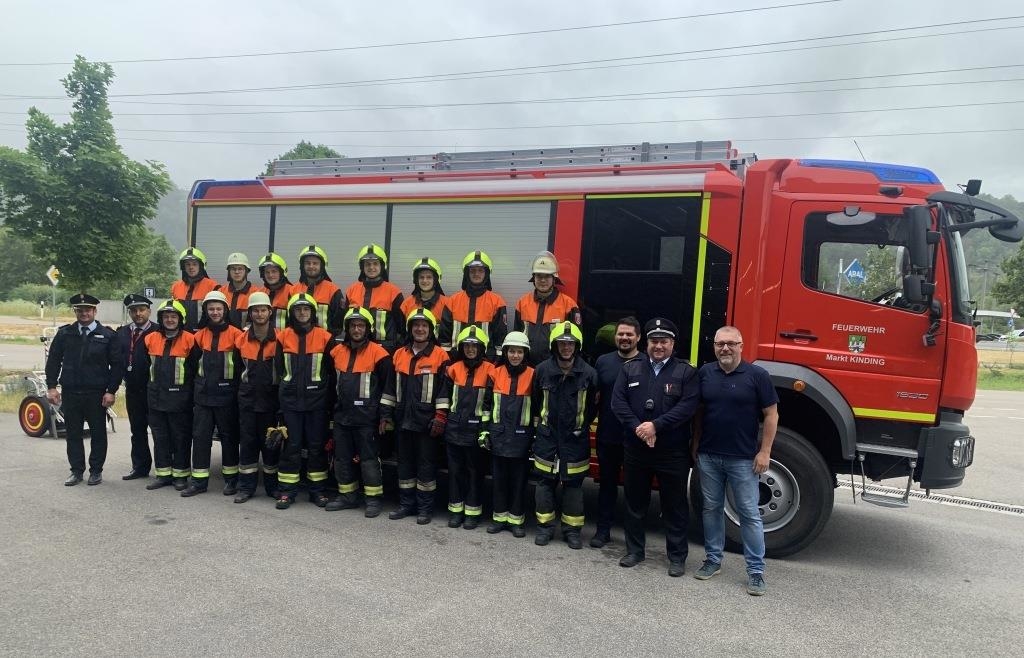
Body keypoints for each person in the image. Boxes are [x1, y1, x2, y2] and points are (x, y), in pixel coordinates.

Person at [692, 325, 779, 596]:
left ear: (741, 345)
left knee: (749, 515)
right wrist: (695, 444)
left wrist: (764, 452)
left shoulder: (757, 376)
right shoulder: (705, 373)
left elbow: (771, 415)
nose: (725, 349)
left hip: (743, 459)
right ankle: (713, 560)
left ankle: (755, 572)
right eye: (720, 344)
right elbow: (699, 412)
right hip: (708, 456)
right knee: (711, 509)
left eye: (731, 343)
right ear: (714, 346)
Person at [611, 318, 699, 577]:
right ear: (646, 342)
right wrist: (640, 428)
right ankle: (635, 551)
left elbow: (688, 407)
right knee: (635, 502)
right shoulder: (631, 368)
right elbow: (618, 403)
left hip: (672, 451)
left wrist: (656, 427)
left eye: (664, 341)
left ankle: (677, 557)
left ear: (673, 343)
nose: (658, 346)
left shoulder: (686, 372)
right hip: (637, 449)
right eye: (654, 341)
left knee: (674, 504)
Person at [380, 307, 451, 525]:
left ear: (431, 330)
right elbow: (390, 389)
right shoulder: (399, 354)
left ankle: (425, 508)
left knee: (426, 466)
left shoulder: (440, 356)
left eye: (424, 325)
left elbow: (444, 391)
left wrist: (440, 416)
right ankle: (406, 505)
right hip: (403, 420)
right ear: (410, 328)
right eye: (416, 325)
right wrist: (385, 415)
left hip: (427, 423)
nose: (420, 329)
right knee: (405, 464)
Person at [45, 293, 124, 486]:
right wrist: (51, 387)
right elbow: (54, 360)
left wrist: (111, 391)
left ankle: (96, 471)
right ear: (75, 311)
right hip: (71, 392)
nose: (83, 313)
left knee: (98, 434)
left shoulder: (107, 335)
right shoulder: (65, 334)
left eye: (87, 310)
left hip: (96, 394)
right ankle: (76, 471)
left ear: (95, 311)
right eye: (79, 310)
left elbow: (117, 365)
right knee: (73, 434)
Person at [532, 321, 597, 549]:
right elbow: (535, 402)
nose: (566, 347)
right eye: (562, 343)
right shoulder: (542, 371)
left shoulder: (589, 374)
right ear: (555, 345)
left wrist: (579, 426)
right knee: (544, 483)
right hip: (548, 437)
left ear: (577, 346)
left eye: (570, 344)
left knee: (574, 485)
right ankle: (545, 528)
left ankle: (572, 531)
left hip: (575, 439)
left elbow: (591, 408)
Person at [326, 306, 393, 518]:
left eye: (361, 325)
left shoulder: (379, 353)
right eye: (353, 325)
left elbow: (387, 389)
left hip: (367, 418)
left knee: (369, 459)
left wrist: (385, 416)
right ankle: (348, 496)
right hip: (342, 416)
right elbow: (330, 386)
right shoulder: (336, 352)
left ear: (368, 328)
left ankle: (373, 499)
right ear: (347, 328)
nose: (356, 329)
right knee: (342, 458)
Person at [274, 293, 335, 509]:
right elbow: (279, 370)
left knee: (317, 447)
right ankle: (287, 492)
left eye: (306, 309)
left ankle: (317, 492)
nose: (302, 313)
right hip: (290, 403)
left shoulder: (325, 337)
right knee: (291, 446)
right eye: (298, 310)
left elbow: (331, 372)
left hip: (317, 403)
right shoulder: (282, 337)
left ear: (312, 312)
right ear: (292, 313)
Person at [182, 290, 244, 497]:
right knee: (200, 438)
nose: (215, 312)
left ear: (225, 310)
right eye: (211, 309)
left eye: (218, 308)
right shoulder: (197, 337)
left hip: (228, 397)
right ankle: (199, 482)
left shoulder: (237, 335)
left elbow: (242, 368)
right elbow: (191, 368)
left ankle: (231, 480)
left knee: (229, 438)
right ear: (206, 311)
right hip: (203, 397)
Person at [587, 316, 641, 548]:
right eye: (621, 334)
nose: (625, 338)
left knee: (634, 489)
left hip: (635, 438)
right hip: (607, 434)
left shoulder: (647, 363)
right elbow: (595, 397)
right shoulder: (603, 362)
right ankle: (602, 531)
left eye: (629, 334)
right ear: (615, 337)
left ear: (638, 337)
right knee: (607, 485)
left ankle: (633, 538)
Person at [480, 331, 535, 538]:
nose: (515, 355)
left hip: (522, 438)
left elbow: (538, 408)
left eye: (519, 352)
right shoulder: (495, 373)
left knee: (519, 482)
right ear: (505, 352)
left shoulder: (533, 374)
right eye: (511, 351)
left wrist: (535, 436)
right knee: (499, 481)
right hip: (498, 436)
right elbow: (486, 406)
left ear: (525, 353)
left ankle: (516, 521)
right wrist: (484, 431)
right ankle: (499, 518)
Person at [443, 326, 495, 530]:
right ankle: (456, 511)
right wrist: (442, 419)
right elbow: (444, 397)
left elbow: (492, 403)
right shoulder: (453, 369)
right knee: (455, 472)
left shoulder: (491, 370)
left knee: (475, 473)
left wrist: (485, 429)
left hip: (476, 431)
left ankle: (473, 512)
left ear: (482, 348)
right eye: (467, 345)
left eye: (475, 346)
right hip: (454, 429)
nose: (471, 349)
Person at [234, 292, 281, 503]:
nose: (259, 314)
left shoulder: (281, 338)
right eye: (255, 310)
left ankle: (272, 487)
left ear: (270, 312)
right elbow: (236, 370)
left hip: (271, 401)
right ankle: (246, 488)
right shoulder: (240, 339)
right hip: (248, 401)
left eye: (263, 310)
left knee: (271, 445)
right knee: (248, 444)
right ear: (250, 314)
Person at [117, 294, 159, 480]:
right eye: (134, 310)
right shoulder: (122, 332)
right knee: (137, 430)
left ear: (149, 311)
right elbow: (117, 361)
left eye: (141, 310)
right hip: (133, 390)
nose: (138, 313)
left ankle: (164, 468)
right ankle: (140, 467)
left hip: (153, 389)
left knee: (159, 431)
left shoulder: (159, 331)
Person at [513, 251, 582, 366]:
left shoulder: (569, 305)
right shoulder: (522, 303)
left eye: (547, 276)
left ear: (554, 279)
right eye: (539, 276)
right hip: (526, 366)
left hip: (555, 368)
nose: (543, 280)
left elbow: (577, 342)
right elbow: (517, 337)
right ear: (533, 278)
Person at [439, 250, 507, 360]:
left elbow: (500, 337)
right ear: (467, 273)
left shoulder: (497, 302)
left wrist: (496, 361)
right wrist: (447, 361)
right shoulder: (452, 301)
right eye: (473, 271)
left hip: (486, 361)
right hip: (457, 360)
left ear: (486, 274)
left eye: (480, 270)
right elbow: (444, 337)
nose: (476, 274)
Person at [345, 244, 405, 352]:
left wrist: (394, 349)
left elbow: (403, 328)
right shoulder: (351, 290)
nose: (371, 267)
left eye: (375, 264)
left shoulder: (394, 292)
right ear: (362, 267)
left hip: (384, 351)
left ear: (382, 266)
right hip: (356, 350)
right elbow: (345, 324)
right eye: (367, 264)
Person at [295, 244, 347, 335]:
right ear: (302, 266)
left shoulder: (333, 290)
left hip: (325, 344)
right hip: (298, 342)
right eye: (307, 263)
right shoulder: (293, 290)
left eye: (315, 263)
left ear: (322, 266)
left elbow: (338, 323)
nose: (311, 266)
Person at [171, 247, 219, 332]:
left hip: (204, 335)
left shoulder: (213, 286)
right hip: (181, 334)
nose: (191, 267)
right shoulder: (176, 286)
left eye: (194, 264)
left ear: (201, 266)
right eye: (188, 264)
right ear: (183, 267)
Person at [218, 252, 262, 328]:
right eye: (233, 269)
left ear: (246, 271)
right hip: (225, 337)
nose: (237, 272)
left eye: (240, 269)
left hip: (246, 337)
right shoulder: (221, 292)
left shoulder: (256, 293)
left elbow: (260, 319)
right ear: (229, 271)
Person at [400, 257, 448, 322]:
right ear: (416, 280)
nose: (425, 280)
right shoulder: (406, 304)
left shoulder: (447, 304)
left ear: (436, 280)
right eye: (421, 277)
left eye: (429, 277)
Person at [257, 252, 293, 330]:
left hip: (284, 340)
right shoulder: (260, 293)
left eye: (274, 271)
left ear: (282, 273)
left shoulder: (292, 292)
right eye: (267, 272)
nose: (270, 275)